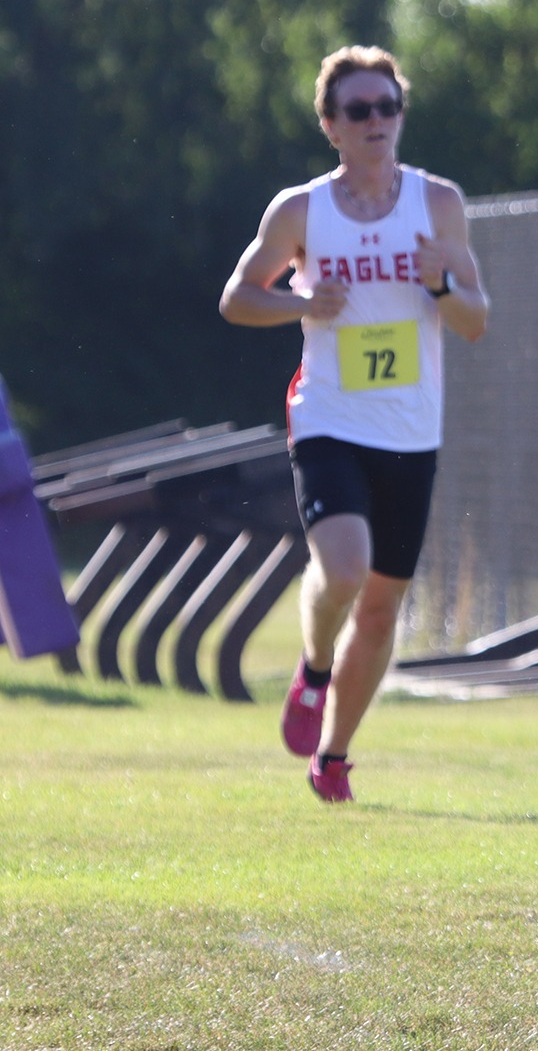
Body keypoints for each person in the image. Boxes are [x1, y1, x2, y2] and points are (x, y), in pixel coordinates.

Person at [219, 46, 488, 803]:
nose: (377, 122)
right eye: (359, 111)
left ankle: (334, 754)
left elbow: (475, 321)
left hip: (410, 430)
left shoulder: (437, 204)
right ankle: (312, 667)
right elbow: (239, 297)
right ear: (331, 126)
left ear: (401, 116)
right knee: (343, 569)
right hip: (330, 417)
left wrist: (439, 282)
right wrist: (302, 303)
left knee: (379, 605)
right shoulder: (301, 210)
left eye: (388, 107)